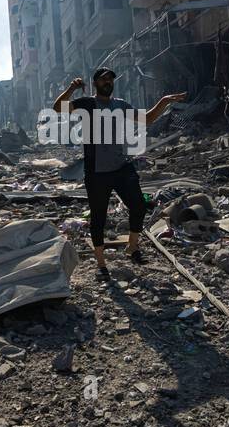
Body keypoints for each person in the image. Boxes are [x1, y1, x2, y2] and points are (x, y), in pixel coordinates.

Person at [53, 67, 186, 276]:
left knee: (139, 206)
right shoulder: (87, 104)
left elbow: (148, 119)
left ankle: (132, 247)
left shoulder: (120, 105)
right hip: (97, 172)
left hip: (121, 166)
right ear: (95, 82)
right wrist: (71, 88)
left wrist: (165, 101)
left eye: (110, 79)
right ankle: (101, 264)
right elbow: (58, 108)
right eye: (103, 79)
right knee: (98, 219)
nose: (108, 82)